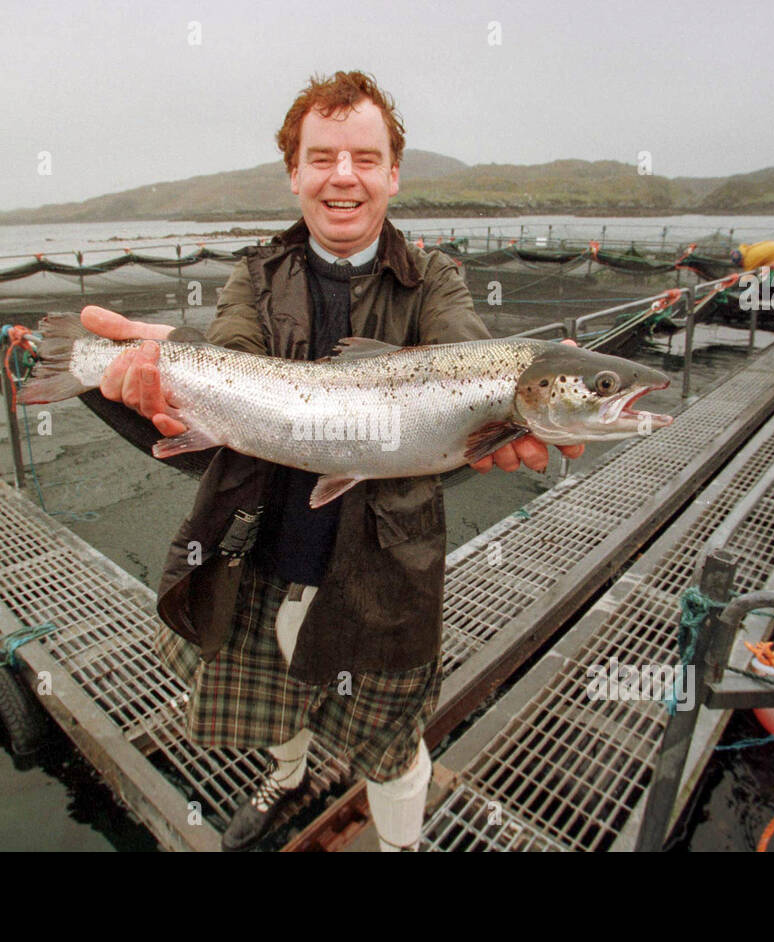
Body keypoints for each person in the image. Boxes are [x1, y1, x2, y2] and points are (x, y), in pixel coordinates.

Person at [84, 70, 584, 852]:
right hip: (255, 557)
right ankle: (287, 775)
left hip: (380, 578)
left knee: (390, 747)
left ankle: (399, 844)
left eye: (363, 157)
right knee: (268, 703)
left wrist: (514, 392)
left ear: (393, 173)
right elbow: (234, 357)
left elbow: (465, 346)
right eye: (322, 157)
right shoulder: (253, 274)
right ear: (294, 173)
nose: (342, 176)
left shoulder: (434, 280)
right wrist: (166, 370)